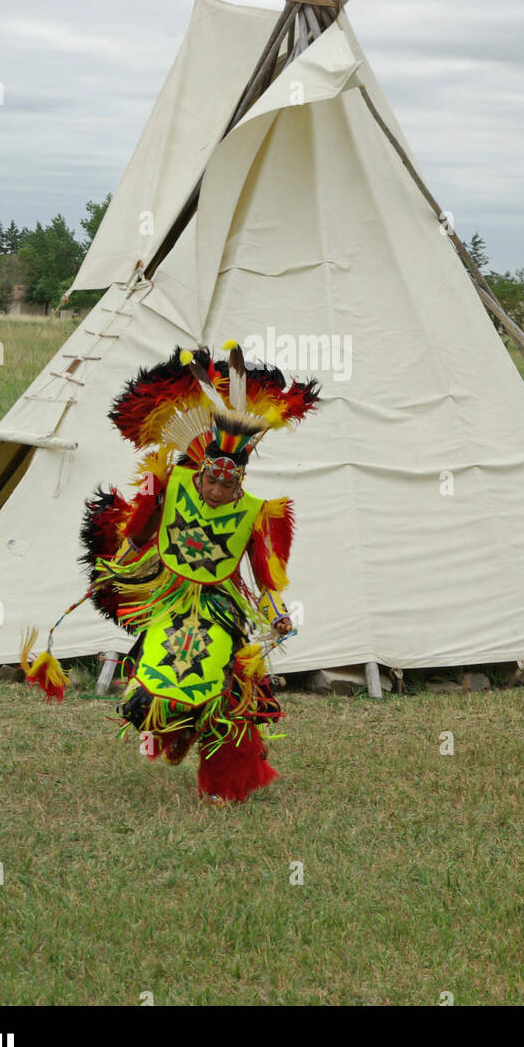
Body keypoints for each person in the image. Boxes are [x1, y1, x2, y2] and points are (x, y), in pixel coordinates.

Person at [79, 341, 319, 803]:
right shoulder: (170, 483)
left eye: (228, 482)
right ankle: (173, 735)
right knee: (153, 682)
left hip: (219, 609)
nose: (217, 487)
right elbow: (138, 533)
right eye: (212, 477)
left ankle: (224, 784)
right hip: (168, 598)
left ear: (241, 479)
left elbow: (266, 577)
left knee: (223, 693)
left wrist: (277, 613)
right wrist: (118, 565)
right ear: (203, 467)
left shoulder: (258, 514)